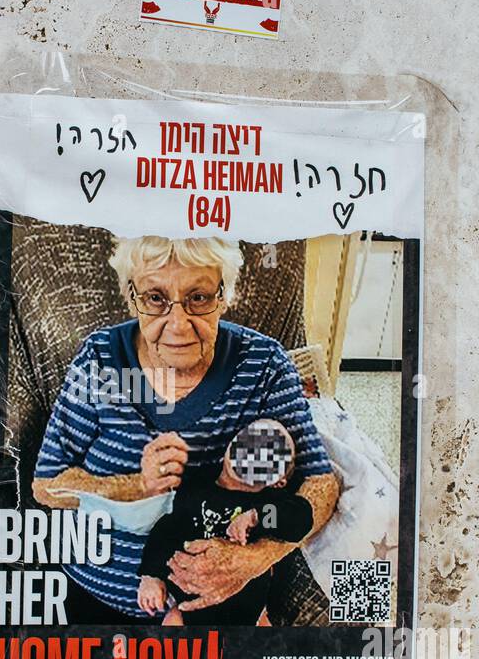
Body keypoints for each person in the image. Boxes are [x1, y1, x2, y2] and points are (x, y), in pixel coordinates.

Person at [31, 234, 338, 624]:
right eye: (155, 298)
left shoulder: (264, 364)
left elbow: (320, 485)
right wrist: (135, 487)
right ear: (132, 296)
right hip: (97, 605)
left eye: (199, 297)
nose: (177, 325)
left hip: (221, 612)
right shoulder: (100, 357)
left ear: (225, 296)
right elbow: (46, 486)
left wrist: (250, 561)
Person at [137, 419, 313, 626]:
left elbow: (300, 519)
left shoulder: (270, 501)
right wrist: (151, 575)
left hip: (247, 615)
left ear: (279, 481)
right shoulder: (196, 488)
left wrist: (258, 516)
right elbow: (166, 529)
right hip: (187, 607)